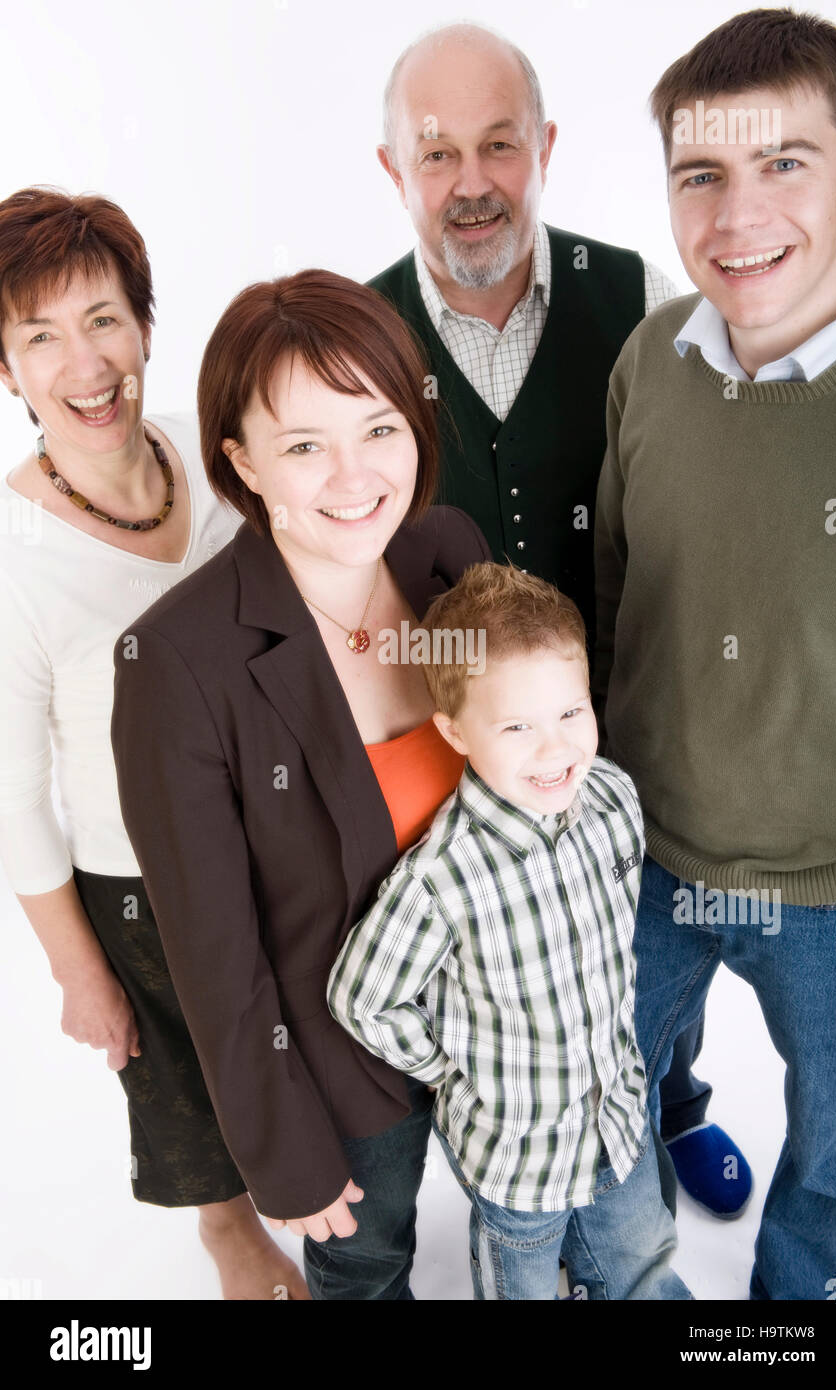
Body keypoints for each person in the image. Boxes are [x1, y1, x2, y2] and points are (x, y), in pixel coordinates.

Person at [366, 19, 746, 1216]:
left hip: (616, 717)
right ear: (392, 172)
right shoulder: (356, 332)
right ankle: (514, 1159)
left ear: (545, 147)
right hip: (453, 746)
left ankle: (666, 1102)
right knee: (504, 969)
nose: (470, 182)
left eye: (498, 145)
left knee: (641, 950)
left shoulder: (635, 292)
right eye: (435, 155)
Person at [110, 268, 491, 1300]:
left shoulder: (448, 554)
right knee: (370, 1258)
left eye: (377, 427)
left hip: (499, 1026)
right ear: (241, 461)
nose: (354, 474)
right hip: (346, 1065)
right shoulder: (178, 664)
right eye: (303, 445)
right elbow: (213, 953)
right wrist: (283, 1150)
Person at [593, 8, 836, 1299]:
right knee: (607, 1097)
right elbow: (617, 588)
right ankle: (638, 1266)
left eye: (785, 165)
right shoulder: (651, 356)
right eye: (701, 173)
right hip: (648, 849)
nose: (736, 213)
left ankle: (788, 1307)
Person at [0, 186, 308, 1299]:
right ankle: (229, 1232)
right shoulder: (14, 558)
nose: (83, 363)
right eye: (38, 336)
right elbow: (11, 798)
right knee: (183, 1080)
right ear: (7, 369)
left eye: (102, 319)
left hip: (284, 830)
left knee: (300, 1041)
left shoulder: (213, 454)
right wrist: (79, 970)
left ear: (144, 326)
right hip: (142, 884)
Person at [329, 562, 691, 1300]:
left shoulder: (613, 798)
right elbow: (360, 999)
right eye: (516, 727)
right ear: (454, 731)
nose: (554, 749)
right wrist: (448, 1068)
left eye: (569, 713)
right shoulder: (443, 876)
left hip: (616, 1120)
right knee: (519, 1281)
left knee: (643, 1255)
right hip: (514, 1153)